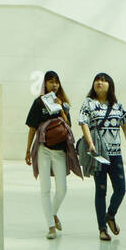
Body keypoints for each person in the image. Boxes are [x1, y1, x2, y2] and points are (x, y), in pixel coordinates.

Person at [79, 72, 126, 242]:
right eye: (97, 80)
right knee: (101, 190)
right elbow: (83, 123)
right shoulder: (88, 103)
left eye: (104, 81)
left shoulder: (117, 106)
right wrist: (90, 144)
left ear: (110, 85)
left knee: (121, 189)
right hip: (99, 154)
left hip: (115, 154)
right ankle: (102, 229)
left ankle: (110, 215)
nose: (100, 83)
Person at [25, 70, 81, 239]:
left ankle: (53, 214)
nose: (54, 85)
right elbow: (32, 128)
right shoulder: (39, 103)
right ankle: (51, 226)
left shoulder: (63, 103)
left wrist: (61, 108)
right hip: (44, 149)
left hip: (60, 151)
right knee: (45, 189)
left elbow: (69, 125)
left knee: (62, 189)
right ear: (45, 84)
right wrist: (28, 150)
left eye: (56, 82)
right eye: (50, 81)